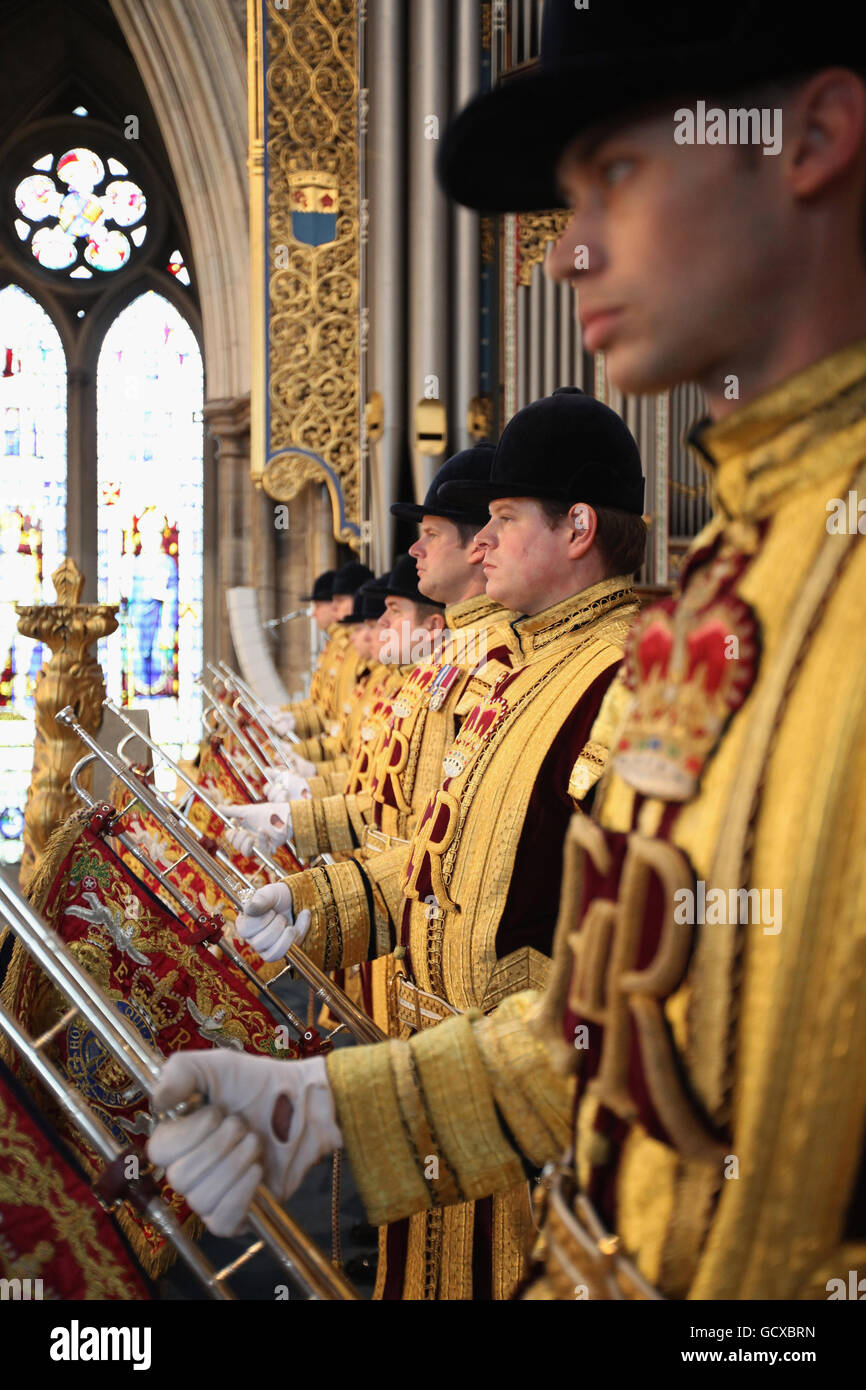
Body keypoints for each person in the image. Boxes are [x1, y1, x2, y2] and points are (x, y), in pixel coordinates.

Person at [151, 0, 866, 1301]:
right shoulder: (733, 584)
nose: (568, 250)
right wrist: (329, 1112)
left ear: (809, 135)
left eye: (617, 172)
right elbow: (617, 1020)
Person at [151, 388, 645, 1299]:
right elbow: (431, 851)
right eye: (482, 520)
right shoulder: (520, 660)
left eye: (502, 518)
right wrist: (313, 893)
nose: (476, 540)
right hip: (438, 1063)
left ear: (579, 526)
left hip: (523, 1114)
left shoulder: (631, 681)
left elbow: (624, 986)